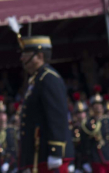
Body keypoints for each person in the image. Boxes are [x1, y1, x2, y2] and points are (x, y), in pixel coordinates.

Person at [18, 35, 71, 172]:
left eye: (26, 54)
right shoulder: (38, 79)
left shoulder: (48, 78)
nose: (22, 58)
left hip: (48, 153)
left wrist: (56, 151)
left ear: (39, 55)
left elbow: (57, 117)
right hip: (39, 153)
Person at [78, 87, 109, 173]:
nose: (98, 106)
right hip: (96, 158)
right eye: (95, 104)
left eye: (100, 104)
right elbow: (84, 144)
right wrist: (85, 161)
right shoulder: (87, 124)